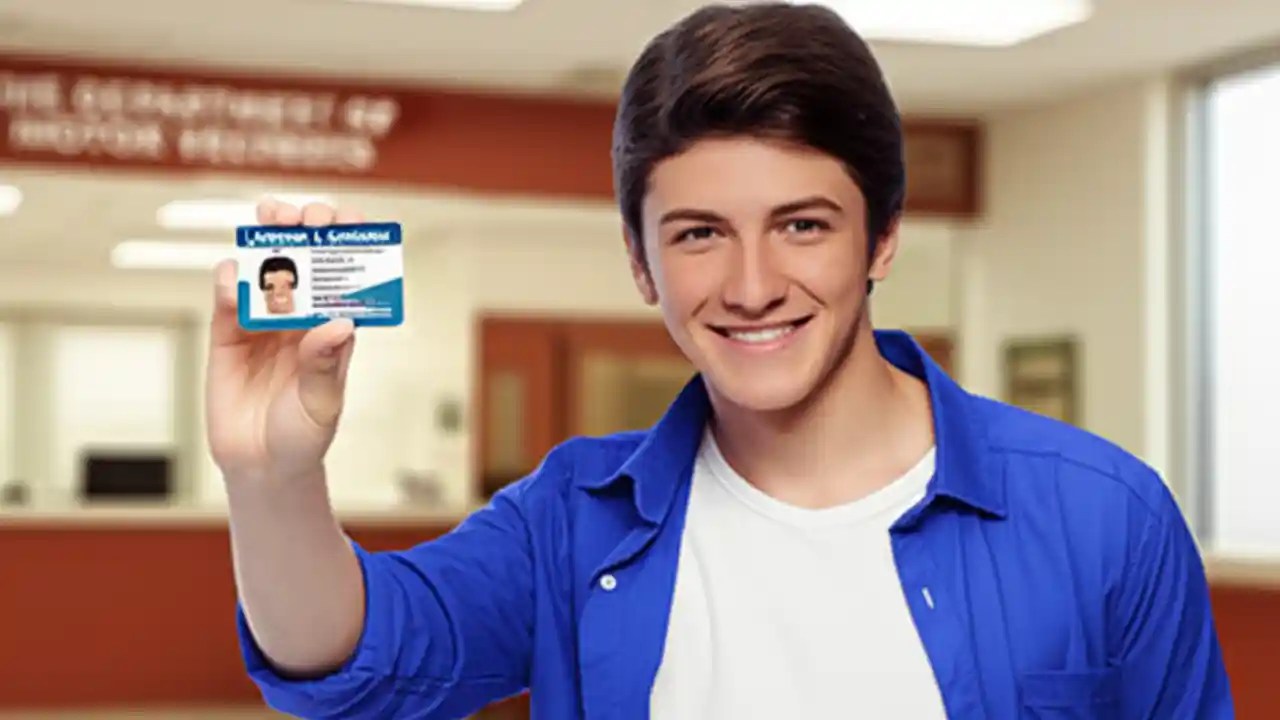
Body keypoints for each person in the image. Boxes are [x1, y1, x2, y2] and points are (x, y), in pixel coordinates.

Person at [206, 3, 1233, 719]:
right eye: (697, 234)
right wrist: (271, 477)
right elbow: (356, 662)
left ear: (880, 240)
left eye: (800, 225)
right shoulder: (571, 520)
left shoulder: (1101, 516)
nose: (748, 285)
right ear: (640, 263)